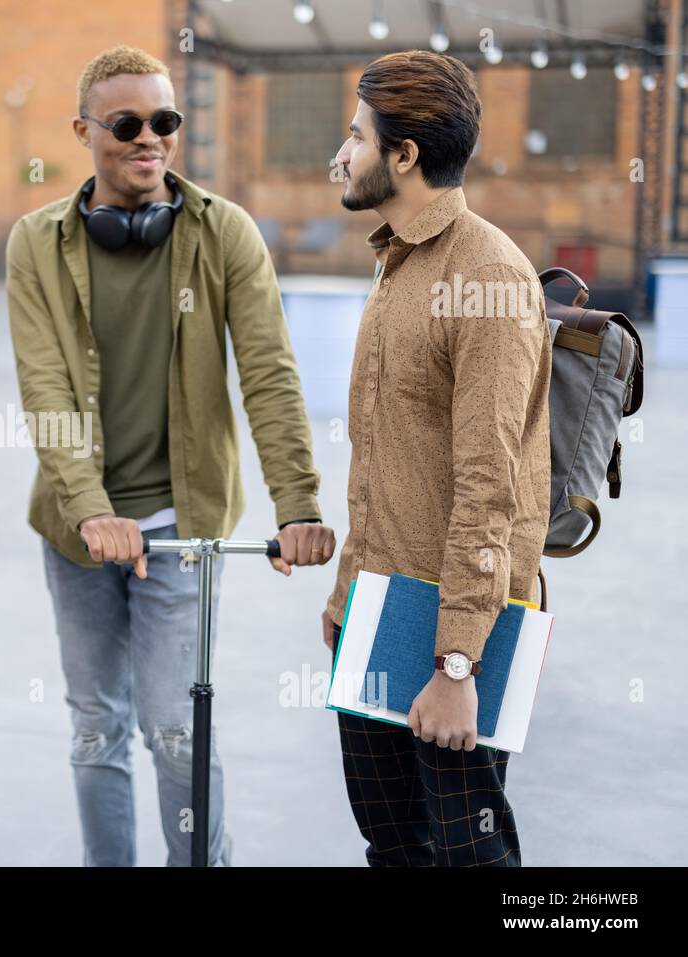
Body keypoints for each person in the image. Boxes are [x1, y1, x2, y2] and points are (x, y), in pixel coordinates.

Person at [6, 46, 336, 867]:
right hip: (76, 532)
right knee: (95, 728)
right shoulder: (35, 243)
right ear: (84, 132)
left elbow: (268, 371)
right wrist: (89, 509)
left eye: (165, 121)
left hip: (183, 526)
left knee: (174, 727)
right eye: (126, 124)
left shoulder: (223, 232)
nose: (149, 137)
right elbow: (44, 389)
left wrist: (296, 503)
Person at [326, 51, 551, 866]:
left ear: (404, 155)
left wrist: (457, 661)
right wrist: (347, 593)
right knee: (393, 847)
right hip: (380, 615)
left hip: (456, 634)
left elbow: (490, 484)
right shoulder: (398, 263)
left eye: (356, 137)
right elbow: (382, 457)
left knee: (469, 857)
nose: (342, 154)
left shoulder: (487, 274)